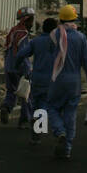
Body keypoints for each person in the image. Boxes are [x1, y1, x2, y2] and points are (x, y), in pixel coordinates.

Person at [46, 4, 87, 159]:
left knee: (52, 107)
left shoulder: (54, 35)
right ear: (75, 20)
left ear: (60, 19)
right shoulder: (81, 38)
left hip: (57, 80)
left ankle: (59, 131)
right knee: (70, 113)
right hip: (74, 82)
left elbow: (49, 57)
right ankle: (67, 148)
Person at [15, 15, 58, 143]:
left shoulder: (36, 41)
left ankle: (36, 129)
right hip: (51, 79)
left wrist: (17, 65)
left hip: (37, 77)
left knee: (36, 102)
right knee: (45, 104)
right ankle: (38, 129)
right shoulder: (57, 42)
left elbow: (21, 54)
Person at [0, 6, 35, 125]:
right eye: (31, 20)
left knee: (11, 90)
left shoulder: (13, 31)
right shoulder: (23, 34)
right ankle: (24, 119)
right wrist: (28, 70)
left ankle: (6, 107)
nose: (32, 23)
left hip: (8, 66)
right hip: (20, 68)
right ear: (27, 20)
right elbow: (23, 54)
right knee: (26, 94)